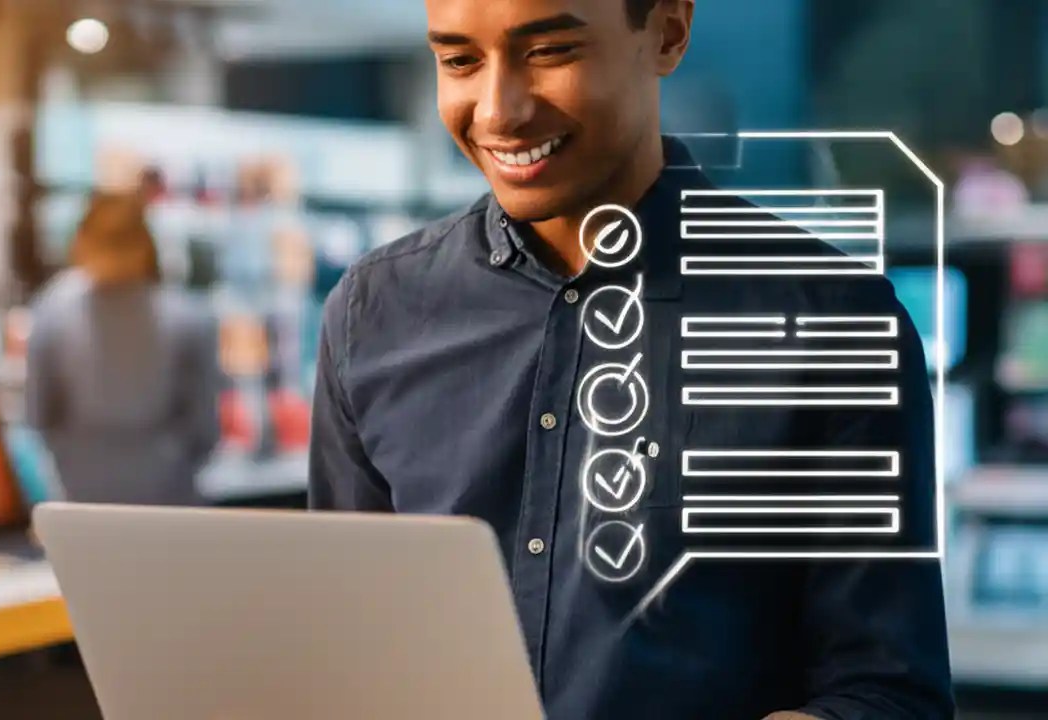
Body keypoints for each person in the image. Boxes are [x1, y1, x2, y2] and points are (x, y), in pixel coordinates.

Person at [308, 1, 954, 719]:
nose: (499, 111)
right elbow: (347, 646)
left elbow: (890, 694)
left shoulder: (828, 319)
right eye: (460, 61)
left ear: (668, 32)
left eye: (551, 51)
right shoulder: (374, 314)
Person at [26, 193, 220, 506]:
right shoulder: (52, 315)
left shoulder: (188, 321)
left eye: (120, 243)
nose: (112, 256)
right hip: (114, 503)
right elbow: (38, 415)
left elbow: (203, 429)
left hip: (148, 504)